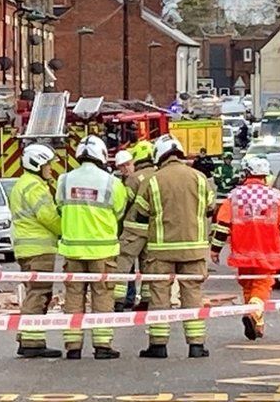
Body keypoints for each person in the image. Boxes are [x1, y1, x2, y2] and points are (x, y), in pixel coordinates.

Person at [134, 135, 213, 359]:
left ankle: (158, 345)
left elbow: (140, 212)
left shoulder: (153, 180)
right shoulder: (200, 178)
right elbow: (210, 208)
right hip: (194, 250)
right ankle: (196, 345)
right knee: (193, 296)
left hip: (161, 250)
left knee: (160, 296)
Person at [56, 135, 127, 360]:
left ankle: (73, 346)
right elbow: (119, 211)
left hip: (72, 251)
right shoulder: (111, 182)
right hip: (102, 251)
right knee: (103, 297)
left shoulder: (64, 180)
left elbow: (60, 207)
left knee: (73, 298)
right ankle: (102, 345)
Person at [210, 157, 280, 340]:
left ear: (246, 173)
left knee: (248, 285)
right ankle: (254, 313)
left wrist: (215, 250)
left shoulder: (234, 197)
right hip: (269, 252)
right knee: (262, 286)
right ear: (265, 176)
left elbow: (222, 226)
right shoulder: (276, 197)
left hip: (242, 253)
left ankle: (257, 324)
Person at [9, 144, 63, 358]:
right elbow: (47, 216)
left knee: (34, 292)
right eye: (48, 164)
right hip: (39, 249)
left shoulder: (23, 184)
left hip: (26, 249)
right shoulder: (34, 187)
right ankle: (33, 342)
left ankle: (27, 337)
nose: (51, 168)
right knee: (39, 293)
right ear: (38, 164)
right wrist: (65, 230)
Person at [113, 141, 155, 312]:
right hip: (153, 230)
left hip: (133, 229)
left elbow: (123, 203)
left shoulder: (134, 178)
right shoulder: (159, 174)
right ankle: (146, 299)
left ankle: (118, 300)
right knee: (148, 266)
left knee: (122, 264)